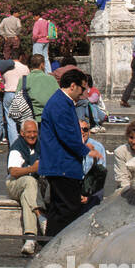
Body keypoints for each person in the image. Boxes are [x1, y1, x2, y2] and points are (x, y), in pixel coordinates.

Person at [38, 68, 90, 239]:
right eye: (82, 89)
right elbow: (66, 134)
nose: (83, 93)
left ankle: (50, 244)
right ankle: (59, 245)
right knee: (69, 208)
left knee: (58, 208)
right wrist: (87, 151)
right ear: (73, 86)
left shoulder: (61, 102)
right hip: (62, 164)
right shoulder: (60, 103)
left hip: (60, 164)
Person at [6, 119, 42, 254]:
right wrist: (32, 168)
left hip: (32, 187)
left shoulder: (40, 145)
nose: (32, 135)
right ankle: (40, 215)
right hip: (14, 183)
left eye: (35, 132)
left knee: (28, 194)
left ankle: (30, 237)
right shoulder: (17, 147)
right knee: (29, 181)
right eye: (29, 132)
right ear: (22, 133)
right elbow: (13, 171)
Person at [108, 119, 135, 198]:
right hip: (127, 189)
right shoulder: (120, 152)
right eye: (131, 137)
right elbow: (122, 178)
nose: (134, 142)